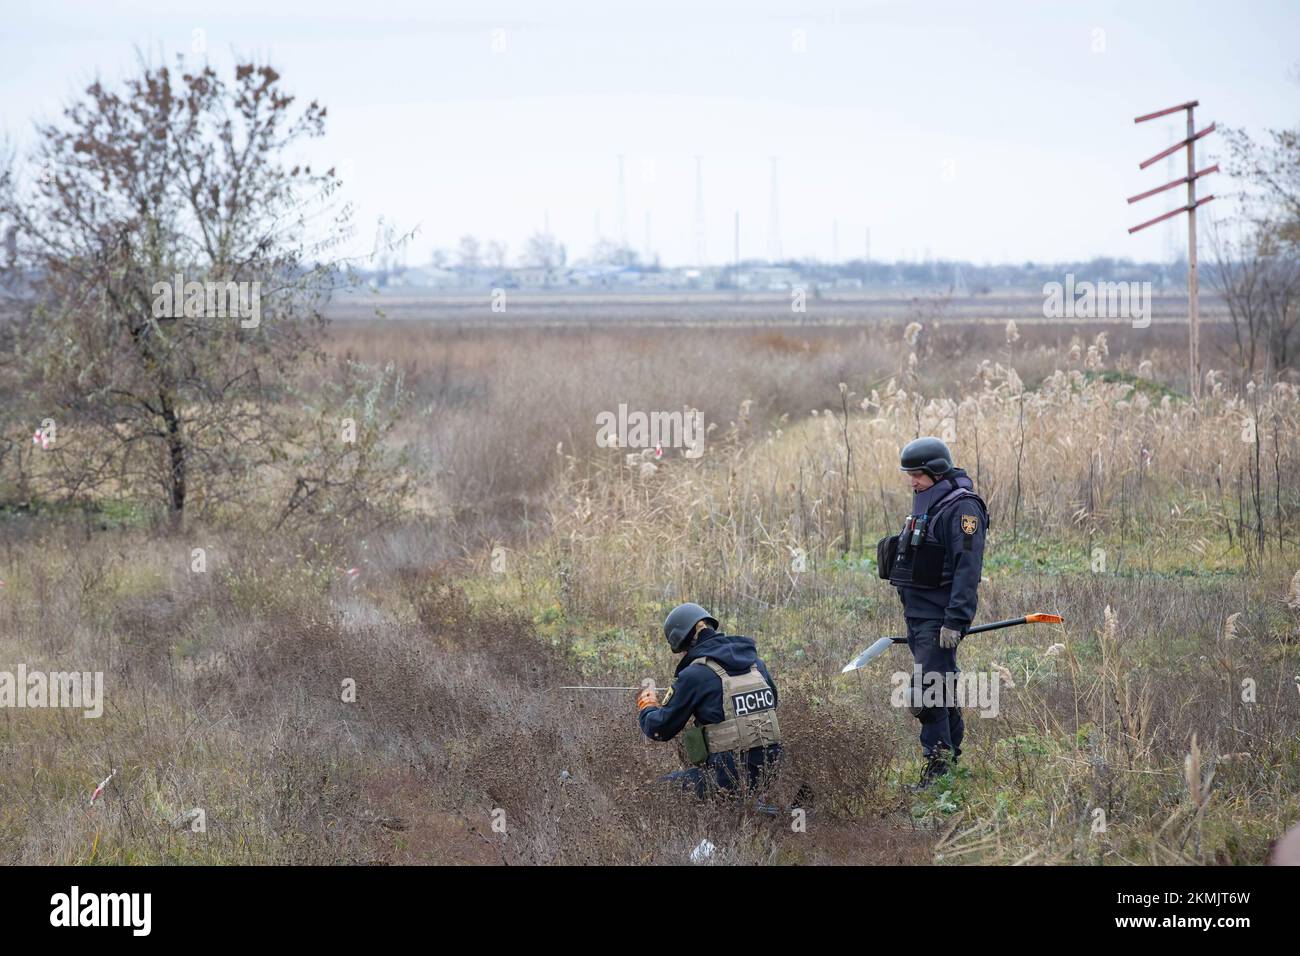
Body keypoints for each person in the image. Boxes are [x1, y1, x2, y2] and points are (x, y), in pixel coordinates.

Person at [878, 436, 988, 789]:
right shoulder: (930, 501)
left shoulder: (964, 509)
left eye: (918, 475)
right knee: (941, 690)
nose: (912, 482)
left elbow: (967, 569)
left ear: (937, 472)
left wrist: (955, 621)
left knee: (926, 694)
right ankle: (950, 764)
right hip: (918, 617)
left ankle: (939, 772)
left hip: (939, 621)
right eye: (909, 475)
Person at [636, 603, 783, 800]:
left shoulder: (694, 674)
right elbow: (773, 702)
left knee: (655, 791)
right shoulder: (756, 664)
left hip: (728, 778)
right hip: (772, 772)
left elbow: (660, 729)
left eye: (680, 650)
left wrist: (648, 707)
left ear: (684, 643)